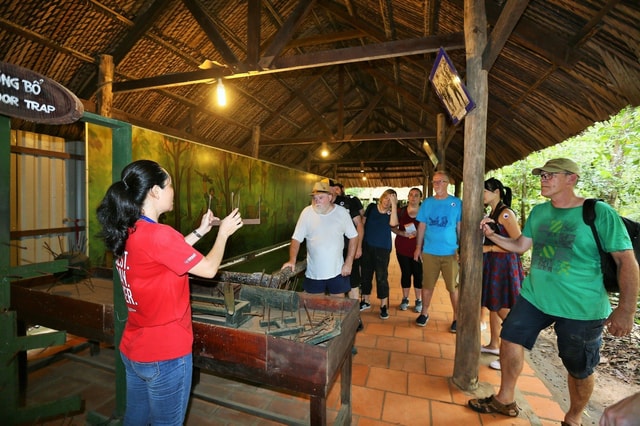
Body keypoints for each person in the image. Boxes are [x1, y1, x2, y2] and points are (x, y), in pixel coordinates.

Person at [468, 158, 639, 426]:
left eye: (551, 175)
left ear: (571, 179)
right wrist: (492, 236)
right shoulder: (540, 212)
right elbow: (520, 246)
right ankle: (504, 399)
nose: (543, 179)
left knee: (579, 368)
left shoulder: (598, 212)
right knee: (510, 337)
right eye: (542, 175)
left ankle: (573, 418)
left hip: (581, 307)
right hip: (535, 297)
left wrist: (626, 309)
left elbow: (626, 261)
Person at [96, 159, 243, 425]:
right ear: (155, 191)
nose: (173, 191)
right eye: (170, 185)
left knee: (135, 420)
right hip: (165, 354)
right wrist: (223, 234)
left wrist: (200, 232)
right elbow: (209, 269)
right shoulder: (160, 235)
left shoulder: (128, 230)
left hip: (135, 348)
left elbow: (165, 256)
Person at [281, 181, 358, 296]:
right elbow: (296, 238)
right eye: (314, 198)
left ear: (330, 197)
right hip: (314, 273)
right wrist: (292, 260)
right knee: (315, 305)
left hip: (337, 272)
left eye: (320, 197)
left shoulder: (341, 213)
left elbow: (354, 236)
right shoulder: (306, 213)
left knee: (338, 304)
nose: (317, 201)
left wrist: (349, 262)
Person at [480, 178, 524, 370]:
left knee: (504, 310)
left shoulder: (505, 214)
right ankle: (494, 345)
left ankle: (510, 354)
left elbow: (519, 244)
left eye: (484, 191)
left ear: (496, 191)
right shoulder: (493, 212)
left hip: (504, 264)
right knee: (494, 305)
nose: (482, 195)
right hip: (495, 263)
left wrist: (490, 248)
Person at [413, 171, 462, 332]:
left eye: (440, 181)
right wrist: (418, 247)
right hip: (430, 251)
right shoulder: (427, 203)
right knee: (427, 284)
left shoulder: (456, 203)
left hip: (450, 252)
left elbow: (460, 227)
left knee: (453, 287)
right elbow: (422, 226)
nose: (437, 185)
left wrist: (461, 249)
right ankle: (424, 312)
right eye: (435, 182)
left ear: (447, 183)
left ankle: (457, 317)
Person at [326, 179, 365, 331]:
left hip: (349, 249)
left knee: (353, 284)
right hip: (332, 252)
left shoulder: (349, 202)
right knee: (334, 286)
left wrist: (358, 247)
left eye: (333, 187)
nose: (331, 190)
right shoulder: (321, 204)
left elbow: (359, 224)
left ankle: (356, 318)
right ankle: (336, 318)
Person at [360, 188, 399, 319]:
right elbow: (362, 224)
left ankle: (383, 305)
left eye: (391, 199)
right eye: (386, 197)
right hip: (367, 246)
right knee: (366, 274)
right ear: (382, 197)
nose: (387, 201)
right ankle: (365, 300)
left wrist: (394, 206)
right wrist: (359, 245)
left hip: (383, 248)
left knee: (382, 277)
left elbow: (394, 224)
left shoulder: (391, 212)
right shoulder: (371, 207)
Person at [391, 187, 423, 312]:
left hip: (419, 250)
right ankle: (405, 298)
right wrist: (402, 233)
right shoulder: (401, 211)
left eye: (416, 195)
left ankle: (419, 300)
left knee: (418, 275)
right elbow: (392, 226)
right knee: (405, 273)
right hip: (402, 248)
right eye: (411, 195)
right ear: (408, 197)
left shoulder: (424, 212)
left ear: (420, 198)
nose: (413, 197)